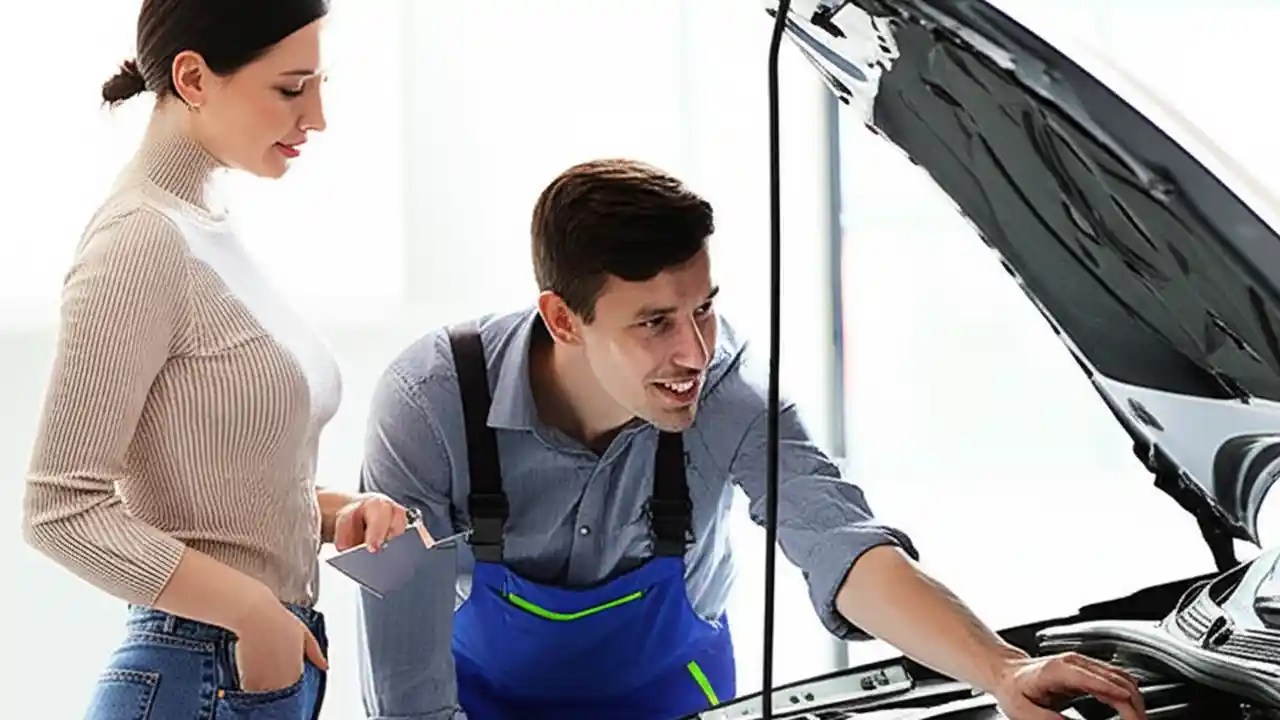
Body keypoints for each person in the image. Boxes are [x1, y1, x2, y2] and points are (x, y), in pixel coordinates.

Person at [353, 159, 1148, 720]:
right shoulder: (429, 404)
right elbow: (407, 692)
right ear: (563, 318)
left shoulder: (724, 387)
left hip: (676, 700)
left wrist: (1004, 669)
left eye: (703, 308)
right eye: (655, 322)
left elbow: (841, 543)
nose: (693, 352)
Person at [20, 2, 410, 718]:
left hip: (245, 667)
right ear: (194, 78)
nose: (316, 116)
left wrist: (335, 512)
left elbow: (217, 493)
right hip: (198, 671)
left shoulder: (204, 226)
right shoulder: (138, 242)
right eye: (292, 89)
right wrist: (255, 615)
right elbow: (57, 508)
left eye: (320, 83)